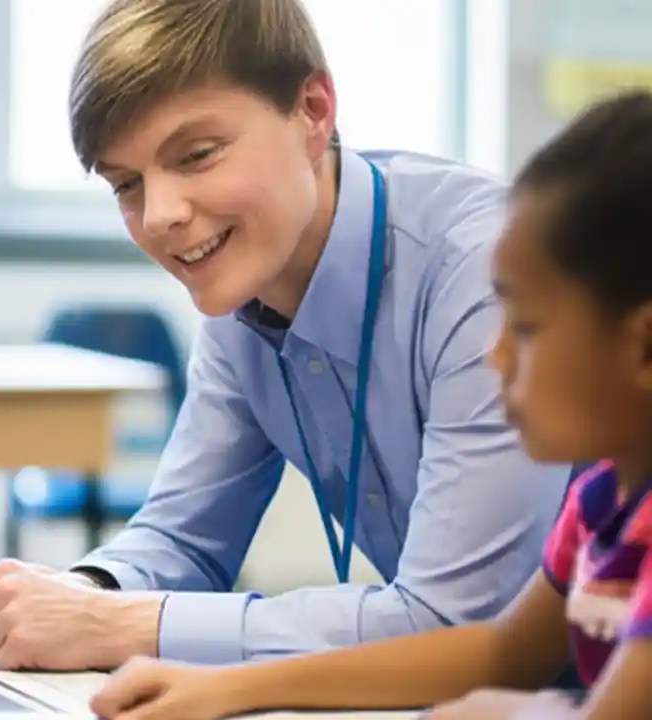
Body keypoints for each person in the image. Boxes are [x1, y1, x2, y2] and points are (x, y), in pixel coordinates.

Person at [0, 0, 569, 670]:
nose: (159, 217)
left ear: (312, 109)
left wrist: (127, 624)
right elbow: (184, 542)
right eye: (126, 184)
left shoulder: (487, 270)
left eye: (196, 156)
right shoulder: (244, 284)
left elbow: (456, 620)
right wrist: (81, 593)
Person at [89, 88, 652, 720]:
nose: (494, 358)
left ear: (643, 348)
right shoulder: (603, 503)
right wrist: (230, 688)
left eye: (524, 327)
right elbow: (496, 651)